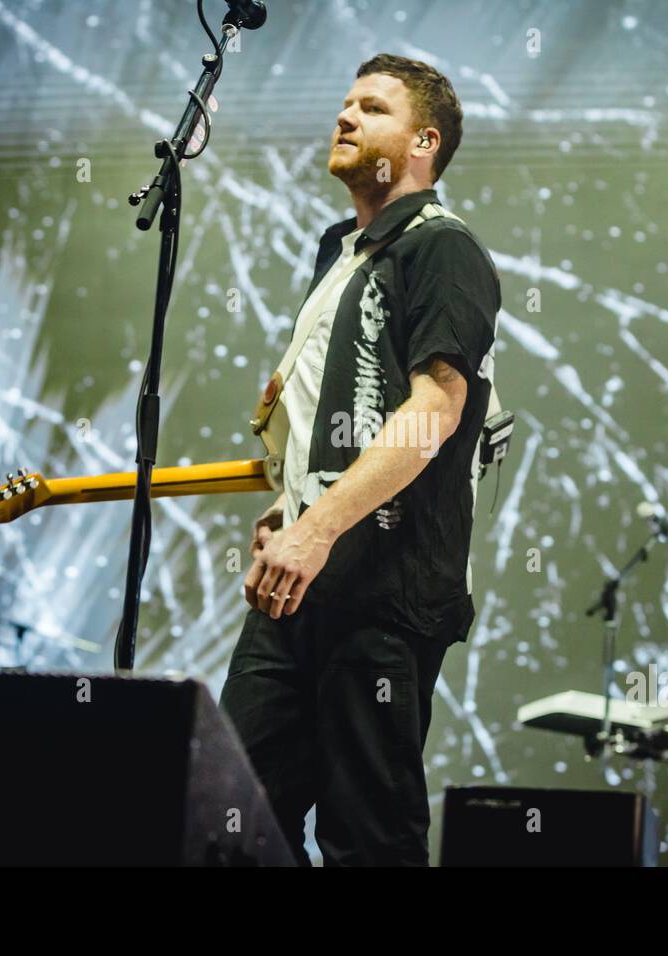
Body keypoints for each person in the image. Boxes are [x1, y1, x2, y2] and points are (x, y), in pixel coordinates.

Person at [219, 54, 501, 866]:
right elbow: (335, 413)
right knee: (231, 821)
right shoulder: (340, 252)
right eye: (344, 103)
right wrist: (289, 511)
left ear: (423, 142)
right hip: (299, 587)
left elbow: (435, 410)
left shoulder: (442, 250)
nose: (344, 117)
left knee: (367, 841)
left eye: (371, 108)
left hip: (381, 592)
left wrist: (321, 527)